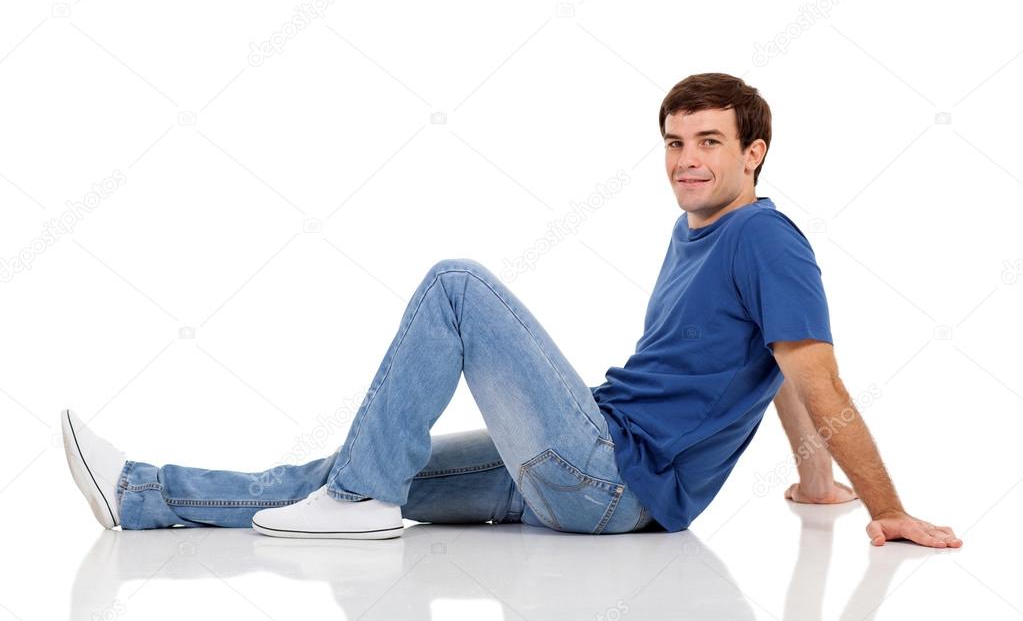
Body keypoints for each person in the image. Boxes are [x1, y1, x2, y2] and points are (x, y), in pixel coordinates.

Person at [61, 72, 962, 548]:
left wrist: (887, 508)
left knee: (457, 286)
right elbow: (774, 372)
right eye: (674, 143)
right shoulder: (698, 232)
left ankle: (358, 500)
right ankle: (142, 493)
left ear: (753, 152)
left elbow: (817, 377)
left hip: (610, 482)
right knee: (358, 464)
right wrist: (809, 484)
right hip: (587, 471)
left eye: (709, 144)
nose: (686, 160)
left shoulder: (765, 238)